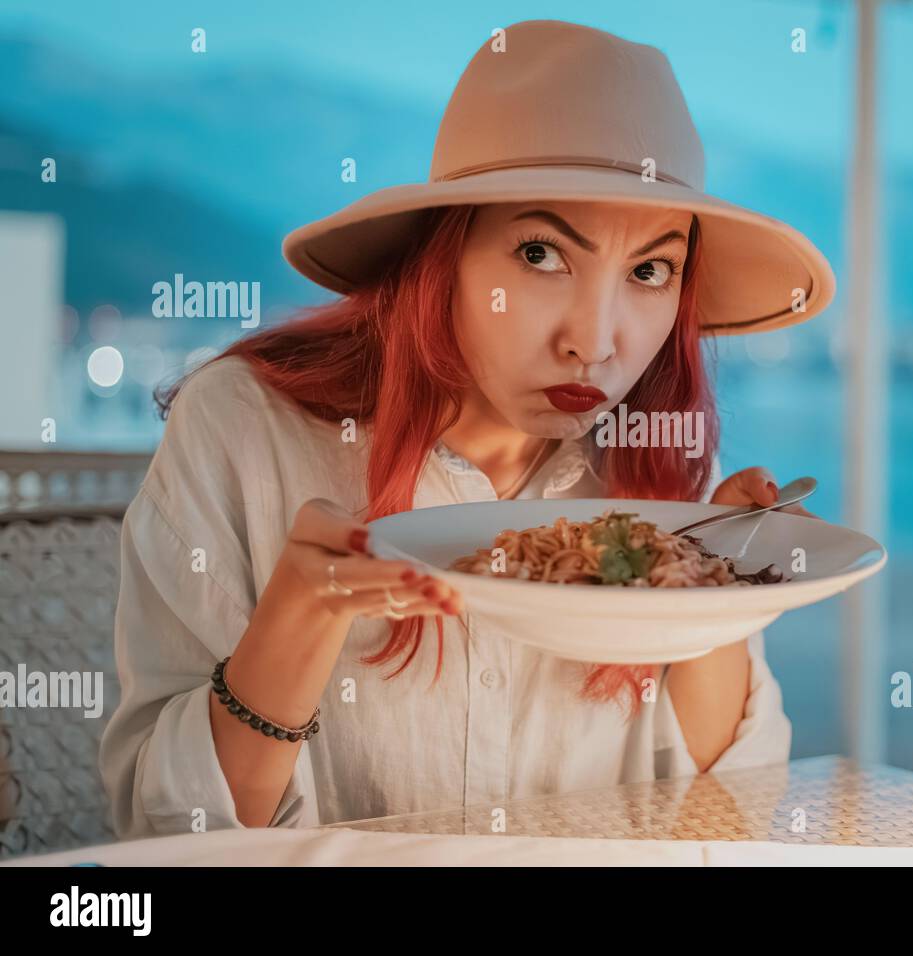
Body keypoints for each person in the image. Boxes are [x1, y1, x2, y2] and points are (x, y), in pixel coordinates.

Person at [99, 19, 836, 836]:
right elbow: (163, 834)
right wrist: (300, 614)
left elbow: (723, 815)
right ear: (441, 255)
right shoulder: (245, 431)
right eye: (541, 255)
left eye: (649, 271)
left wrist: (713, 588)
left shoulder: (663, 474)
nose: (594, 343)